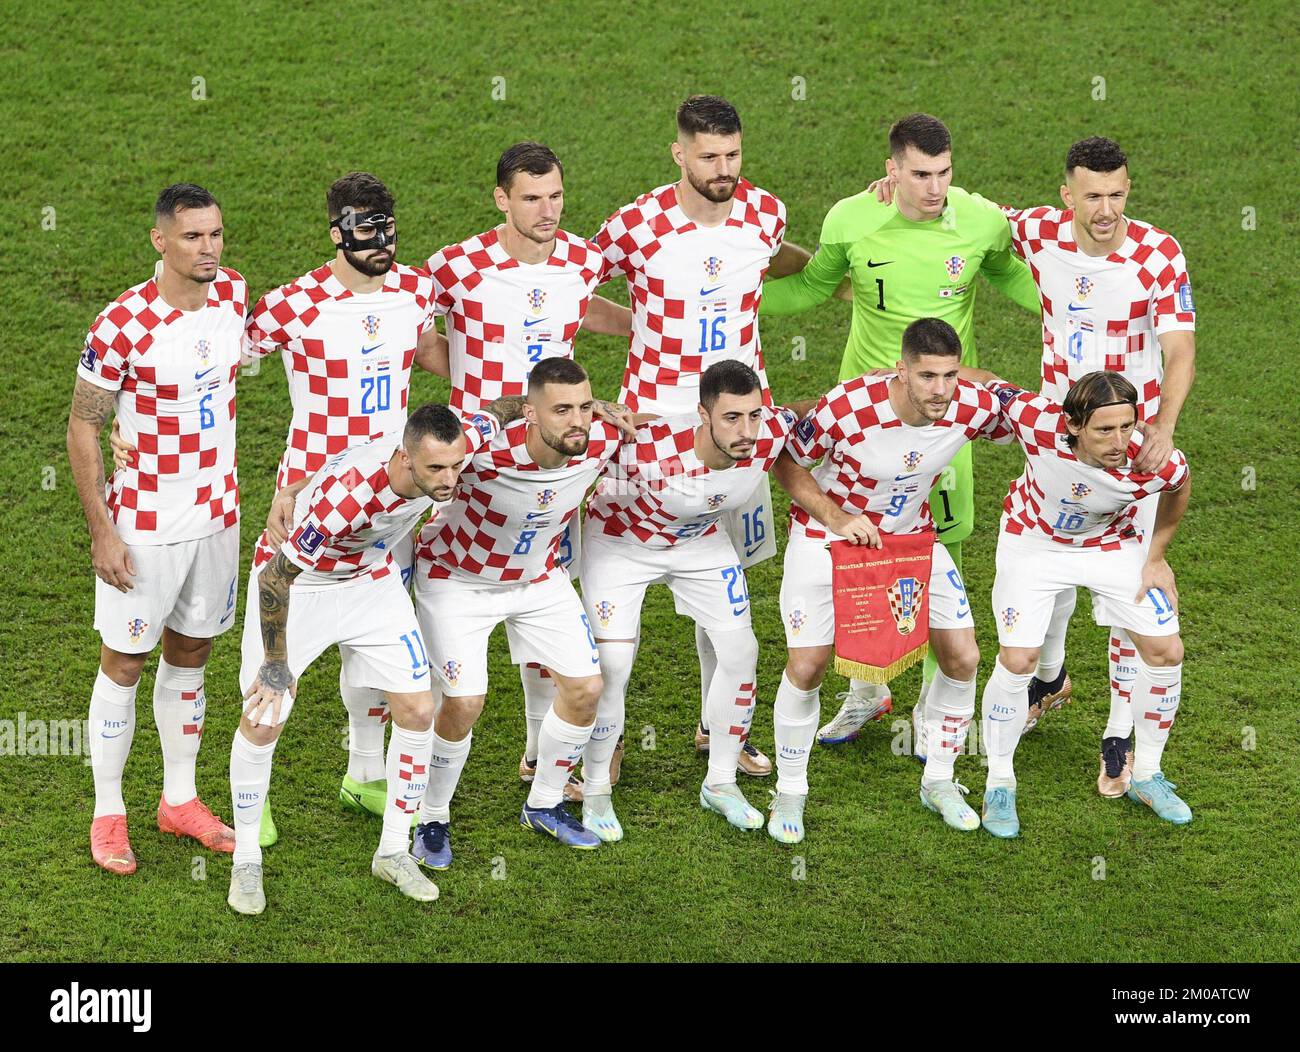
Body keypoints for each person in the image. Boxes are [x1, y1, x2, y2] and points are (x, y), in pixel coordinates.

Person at [760, 113, 1040, 749]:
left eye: (944, 173)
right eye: (919, 174)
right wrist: (723, 301)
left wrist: (1083, 303)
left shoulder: (980, 221)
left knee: (940, 545)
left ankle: (927, 702)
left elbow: (1022, 283)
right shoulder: (852, 219)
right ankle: (868, 691)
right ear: (892, 170)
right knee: (858, 550)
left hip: (943, 416)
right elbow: (810, 288)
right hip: (859, 421)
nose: (934, 187)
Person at [227, 402, 509, 914]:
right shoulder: (349, 500)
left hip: (370, 581)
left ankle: (394, 850)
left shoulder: (451, 446)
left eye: (456, 465)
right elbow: (275, 578)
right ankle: (246, 861)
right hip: (302, 587)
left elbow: (503, 410)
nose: (450, 479)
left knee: (419, 708)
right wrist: (275, 663)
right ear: (405, 458)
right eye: (436, 470)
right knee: (264, 715)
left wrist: (588, 407)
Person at [595, 93, 808, 770]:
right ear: (679, 153)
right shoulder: (636, 224)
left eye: (733, 155)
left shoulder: (764, 212)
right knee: (620, 587)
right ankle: (604, 737)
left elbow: (778, 256)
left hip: (742, 431)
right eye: (709, 156)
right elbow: (573, 285)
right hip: (652, 430)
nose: (723, 168)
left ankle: (722, 728)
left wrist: (830, 265)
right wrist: (636, 324)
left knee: (731, 586)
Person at [422, 141, 632, 802]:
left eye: (556, 196)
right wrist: (464, 383)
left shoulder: (582, 259)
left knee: (544, 590)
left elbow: (578, 307)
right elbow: (413, 332)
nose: (548, 210)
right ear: (502, 199)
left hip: (550, 461)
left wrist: (638, 328)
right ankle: (398, 771)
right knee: (454, 604)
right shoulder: (456, 266)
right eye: (532, 197)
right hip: (477, 464)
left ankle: (541, 754)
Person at [999, 138, 1196, 790]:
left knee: (1127, 592)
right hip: (1057, 440)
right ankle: (1047, 683)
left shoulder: (1157, 255)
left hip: (1124, 446)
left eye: (1117, 194)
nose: (1106, 209)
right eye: (1093, 196)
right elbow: (978, 215)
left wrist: (1160, 429)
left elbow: (1180, 350)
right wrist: (906, 197)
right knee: (1050, 561)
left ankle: (1117, 736)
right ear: (1068, 196)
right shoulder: (1039, 232)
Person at [768, 318, 1012, 843]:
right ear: (900, 371)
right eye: (926, 376)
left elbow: (1003, 400)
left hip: (910, 541)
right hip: (828, 537)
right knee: (807, 666)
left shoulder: (965, 404)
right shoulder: (848, 407)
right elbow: (786, 462)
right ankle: (790, 789)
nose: (940, 390)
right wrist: (835, 517)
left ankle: (939, 781)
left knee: (963, 657)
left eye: (949, 375)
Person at [68, 183, 246, 875]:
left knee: (194, 653)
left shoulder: (232, 296)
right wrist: (102, 532)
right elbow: (84, 425)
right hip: (143, 523)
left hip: (218, 517)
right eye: (194, 236)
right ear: (160, 241)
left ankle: (179, 800)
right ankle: (107, 812)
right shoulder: (122, 324)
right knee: (125, 661)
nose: (208, 249)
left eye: (216, 234)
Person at [578, 361, 818, 839]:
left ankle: (721, 782)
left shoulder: (768, 433)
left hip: (699, 542)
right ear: (702, 415)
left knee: (741, 651)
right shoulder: (645, 451)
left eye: (753, 415)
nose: (746, 430)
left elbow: (807, 412)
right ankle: (594, 789)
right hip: (620, 544)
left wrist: (875, 384)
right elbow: (565, 443)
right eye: (731, 418)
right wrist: (602, 409)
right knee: (613, 664)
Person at [410, 359, 626, 865]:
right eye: (561, 410)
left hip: (538, 579)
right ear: (529, 413)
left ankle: (545, 802)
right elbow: (419, 457)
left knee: (585, 688)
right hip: (456, 580)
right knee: (463, 703)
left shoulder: (602, 442)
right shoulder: (481, 449)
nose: (577, 421)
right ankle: (432, 815)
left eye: (584, 407)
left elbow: (676, 438)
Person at [967, 370, 1191, 835]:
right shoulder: (1036, 421)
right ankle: (999, 784)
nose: (1119, 441)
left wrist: (1156, 556)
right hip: (1033, 544)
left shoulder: (1154, 460)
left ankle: (1147, 774)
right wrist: (896, 371)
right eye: (1104, 429)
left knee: (1167, 650)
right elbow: (988, 381)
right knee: (1017, 659)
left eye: (1127, 426)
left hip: (1110, 545)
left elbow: (1178, 488)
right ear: (1072, 424)